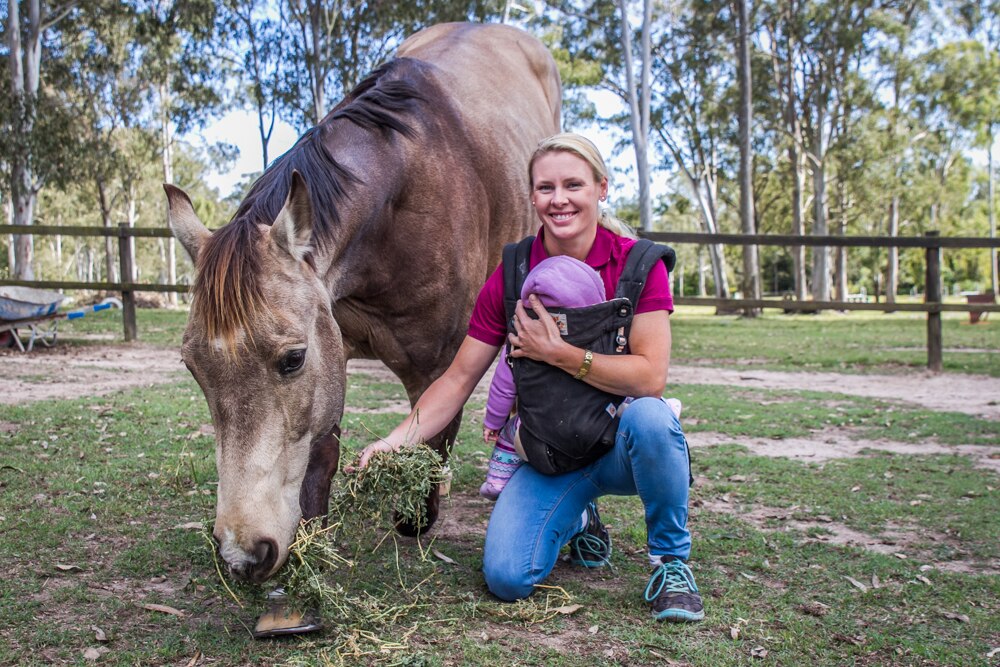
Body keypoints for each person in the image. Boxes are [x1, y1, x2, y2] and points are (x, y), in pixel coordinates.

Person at [355, 132, 702, 622]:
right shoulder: (515, 272)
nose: (558, 200)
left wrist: (560, 354)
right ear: (532, 195)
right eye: (545, 188)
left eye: (573, 185)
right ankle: (580, 516)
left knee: (651, 418)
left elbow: (650, 378)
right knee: (507, 576)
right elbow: (458, 379)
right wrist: (395, 441)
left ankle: (670, 562)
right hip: (550, 454)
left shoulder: (638, 264)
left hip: (622, 445)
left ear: (601, 189)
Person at [479, 254, 684, 500]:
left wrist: (494, 420)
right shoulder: (600, 335)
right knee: (622, 400)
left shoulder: (521, 338)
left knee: (510, 433)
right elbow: (622, 374)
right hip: (599, 421)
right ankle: (661, 410)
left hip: (541, 433)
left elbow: (503, 387)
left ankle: (497, 480)